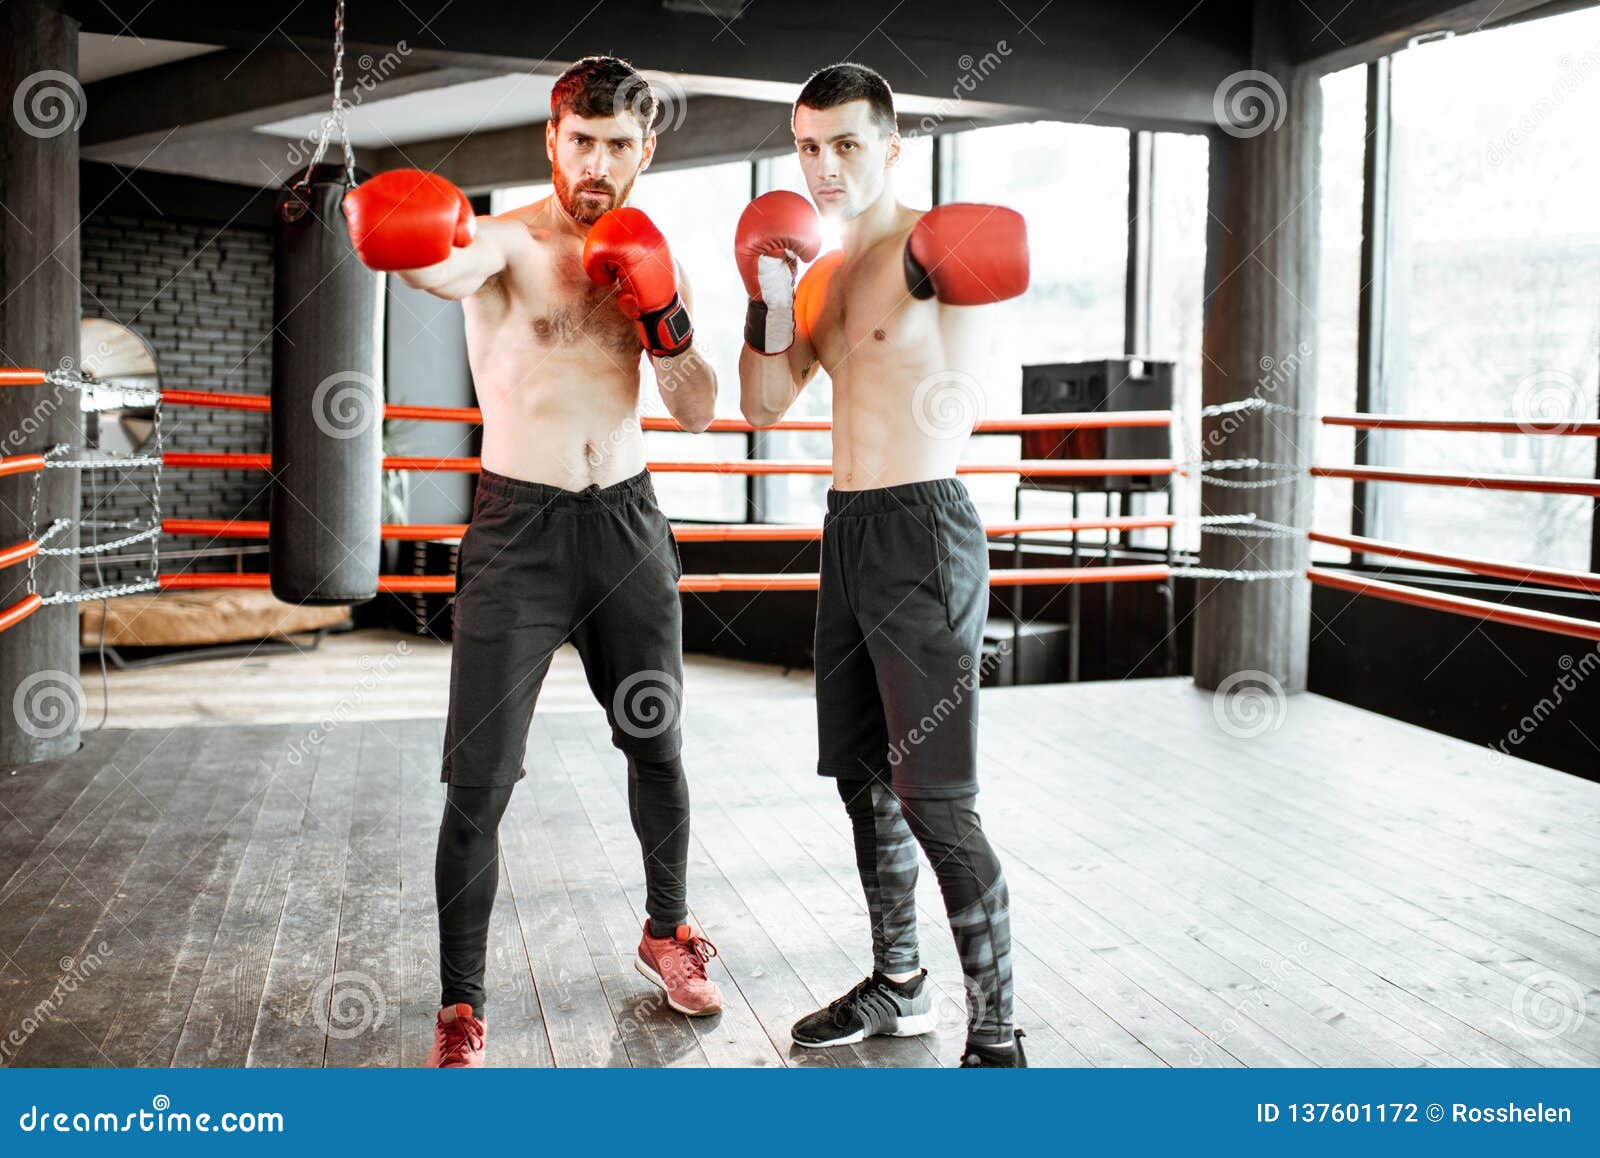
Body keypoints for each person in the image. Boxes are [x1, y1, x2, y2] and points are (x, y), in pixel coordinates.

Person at [344, 55, 724, 1069]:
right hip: (518, 534)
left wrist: (664, 313)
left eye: (616, 146)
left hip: (629, 527)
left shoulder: (654, 248)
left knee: (657, 745)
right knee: (481, 781)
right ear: (550, 142)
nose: (595, 165)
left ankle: (667, 933)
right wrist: (400, 235)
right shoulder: (507, 243)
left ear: (646, 150)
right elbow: (443, 266)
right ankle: (462, 1005)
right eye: (579, 142)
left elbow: (694, 403)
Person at [735, 62, 1030, 1068]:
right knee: (862, 779)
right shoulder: (814, 276)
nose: (822, 166)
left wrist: (933, 281)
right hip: (847, 530)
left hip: (922, 527)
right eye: (808, 146)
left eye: (845, 144)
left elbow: (967, 399)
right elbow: (765, 408)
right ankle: (899, 983)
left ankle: (997, 1032)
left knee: (936, 795)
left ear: (892, 147)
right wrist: (767, 299)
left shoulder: (935, 245)